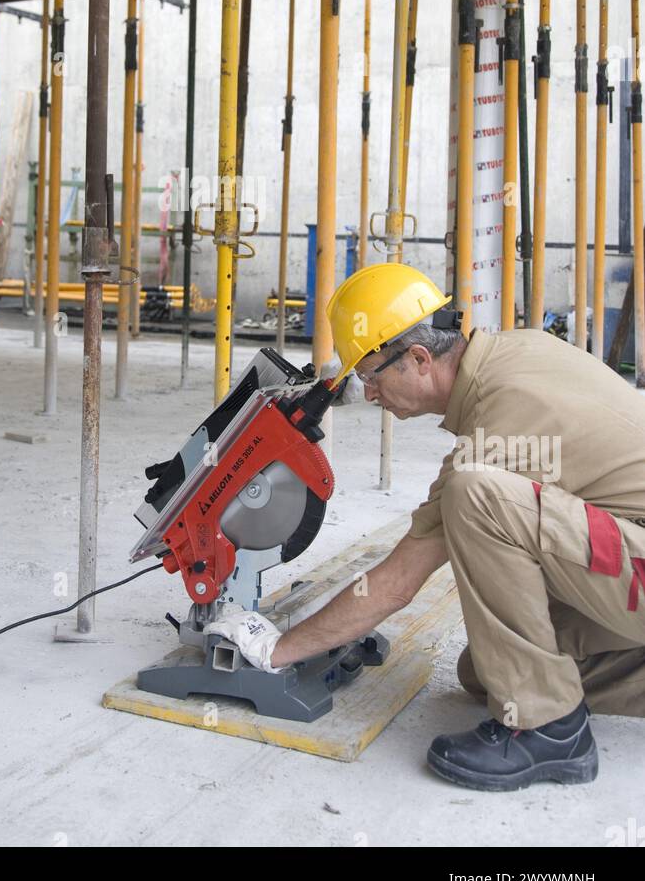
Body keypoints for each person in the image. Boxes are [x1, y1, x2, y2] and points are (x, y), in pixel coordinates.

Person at [207, 263, 645, 791]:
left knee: (475, 496)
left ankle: (549, 730)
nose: (369, 395)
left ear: (418, 358)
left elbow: (397, 582)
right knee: (487, 675)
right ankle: (549, 699)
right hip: (628, 554)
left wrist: (276, 650)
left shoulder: (503, 420)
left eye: (371, 376)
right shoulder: (509, 361)